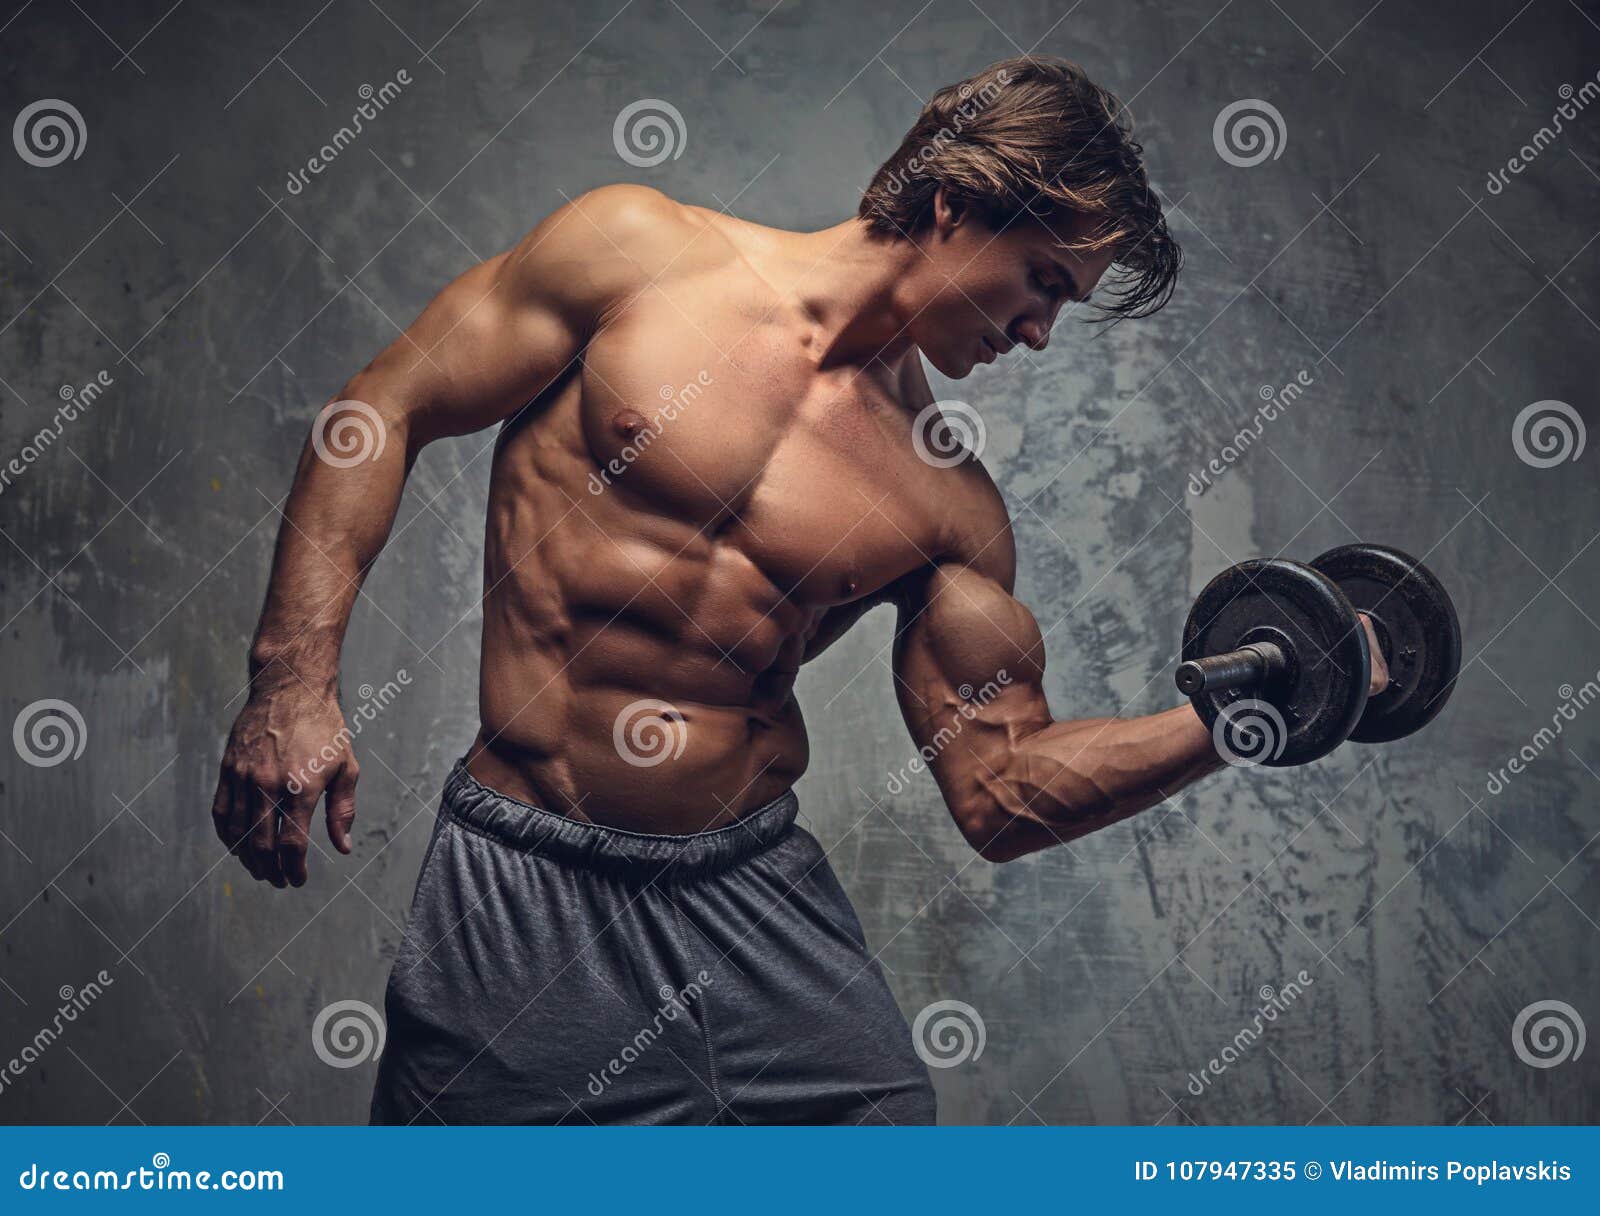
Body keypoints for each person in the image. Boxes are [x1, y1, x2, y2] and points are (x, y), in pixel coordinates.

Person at [212, 55, 1386, 1125]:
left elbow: (1003, 790)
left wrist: (1255, 702)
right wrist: (292, 682)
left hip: (747, 900)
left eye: (1065, 302)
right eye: (1042, 280)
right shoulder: (637, 254)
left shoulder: (949, 509)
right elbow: (384, 407)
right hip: (527, 886)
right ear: (953, 204)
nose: (1039, 331)